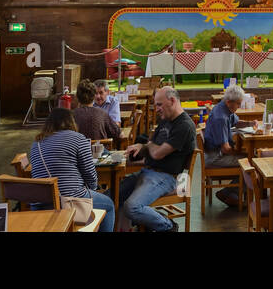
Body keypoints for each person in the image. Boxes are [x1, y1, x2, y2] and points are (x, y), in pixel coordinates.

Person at [118, 86, 197, 231]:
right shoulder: (165, 120)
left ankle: (168, 226)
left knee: (132, 207)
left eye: (159, 104)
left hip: (168, 178)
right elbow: (150, 146)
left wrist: (143, 147)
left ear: (172, 101)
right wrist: (128, 157)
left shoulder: (185, 125)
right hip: (148, 171)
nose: (157, 108)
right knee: (111, 196)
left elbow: (156, 153)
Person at [29, 108, 115, 231]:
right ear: (71, 122)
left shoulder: (36, 143)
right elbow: (90, 175)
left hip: (41, 204)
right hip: (69, 201)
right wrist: (91, 189)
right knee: (109, 205)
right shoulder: (78, 138)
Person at [202, 84, 245, 170]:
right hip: (215, 158)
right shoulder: (221, 118)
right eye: (238, 104)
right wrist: (239, 153)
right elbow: (226, 149)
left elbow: (236, 123)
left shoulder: (224, 107)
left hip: (216, 153)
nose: (239, 106)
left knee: (248, 157)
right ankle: (237, 182)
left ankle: (238, 182)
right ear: (229, 102)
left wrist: (251, 123)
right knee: (250, 161)